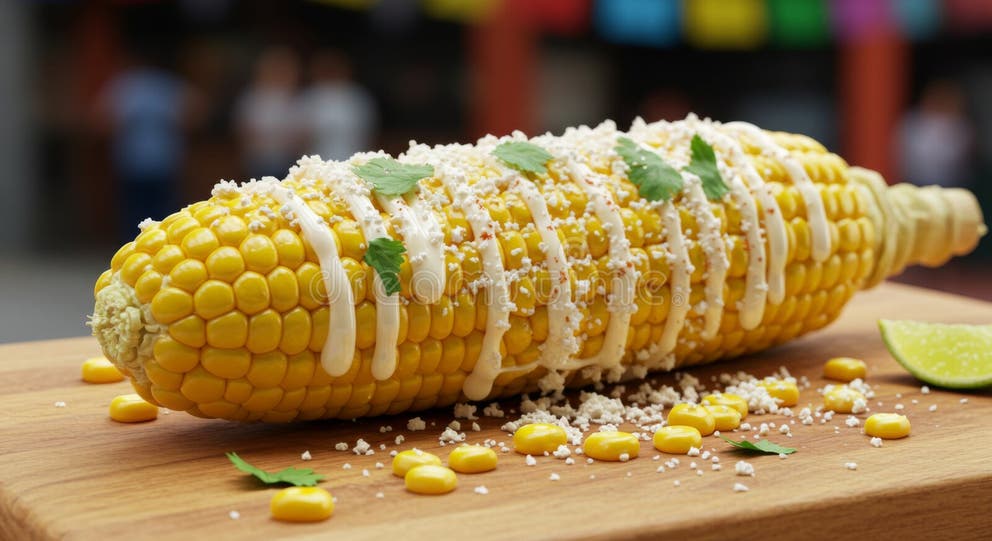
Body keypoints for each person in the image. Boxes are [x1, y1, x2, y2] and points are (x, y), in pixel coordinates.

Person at [95, 50, 198, 241]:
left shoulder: (124, 85)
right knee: (163, 210)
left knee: (134, 209)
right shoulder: (167, 84)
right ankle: (163, 244)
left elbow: (103, 119)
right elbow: (195, 112)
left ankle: (134, 245)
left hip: (133, 158)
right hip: (163, 157)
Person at [235, 47, 304, 179]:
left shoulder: (296, 97)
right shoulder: (252, 97)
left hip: (289, 159)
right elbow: (243, 130)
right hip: (259, 159)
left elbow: (303, 132)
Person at [299, 50, 377, 161]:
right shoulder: (309, 96)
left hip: (353, 159)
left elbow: (368, 131)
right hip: (316, 163)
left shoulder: (357, 96)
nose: (329, 71)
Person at [897, 80, 973, 188]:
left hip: (950, 183)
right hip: (915, 180)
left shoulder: (960, 125)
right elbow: (908, 151)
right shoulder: (913, 120)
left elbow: (958, 156)